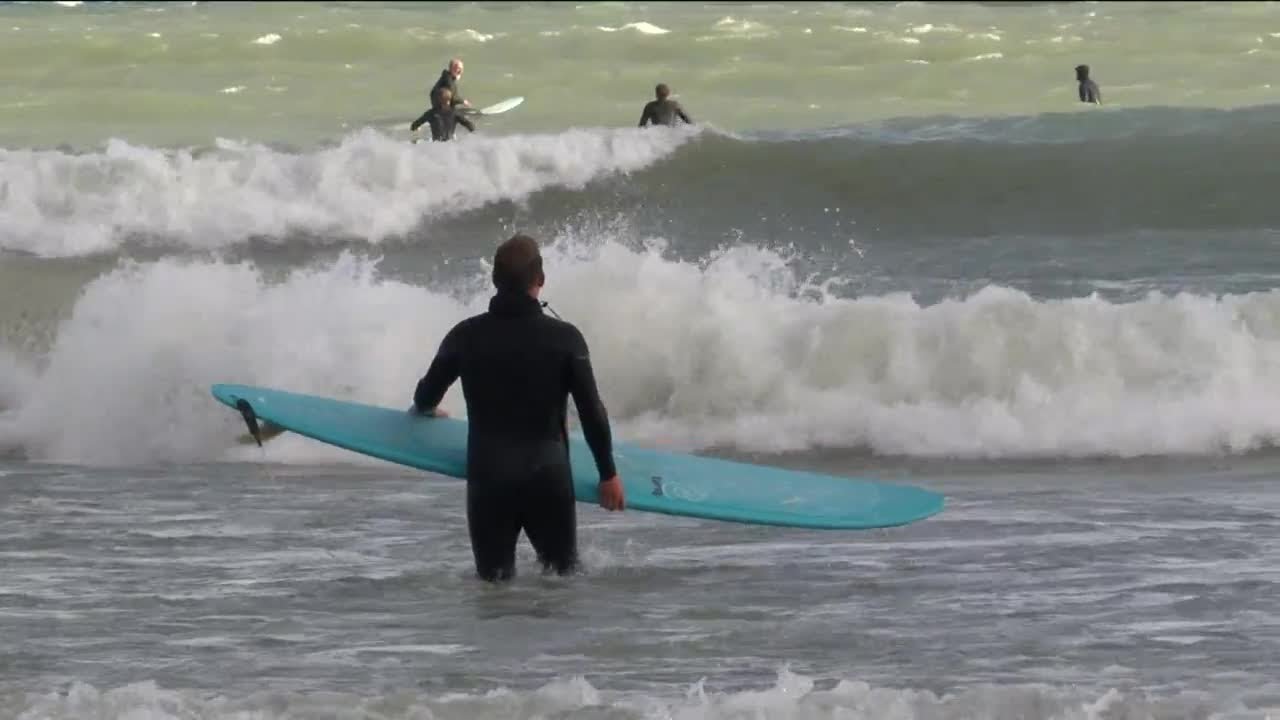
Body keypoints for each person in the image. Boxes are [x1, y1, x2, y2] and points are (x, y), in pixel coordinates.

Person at [411, 234, 626, 582]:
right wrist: (608, 475)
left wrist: (426, 410)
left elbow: (424, 396)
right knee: (562, 582)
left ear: (495, 281)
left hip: (489, 480)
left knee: (493, 590)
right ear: (540, 280)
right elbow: (591, 411)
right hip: (548, 477)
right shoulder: (566, 338)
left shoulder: (465, 335)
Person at [409, 87, 475, 141]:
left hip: (437, 145)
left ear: (437, 100)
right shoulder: (455, 113)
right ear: (450, 99)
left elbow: (413, 126)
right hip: (450, 144)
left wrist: (416, 128)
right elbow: (471, 126)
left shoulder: (431, 113)